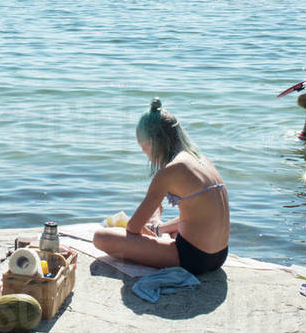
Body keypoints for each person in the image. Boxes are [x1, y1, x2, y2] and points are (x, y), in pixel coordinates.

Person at [93, 98, 229, 274]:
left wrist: (147, 224)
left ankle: (158, 230)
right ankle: (160, 229)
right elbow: (200, 217)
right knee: (171, 222)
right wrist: (157, 225)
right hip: (220, 255)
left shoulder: (169, 171)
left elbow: (133, 227)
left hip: (194, 258)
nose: (148, 157)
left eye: (144, 149)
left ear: (152, 141)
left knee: (101, 237)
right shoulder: (201, 160)